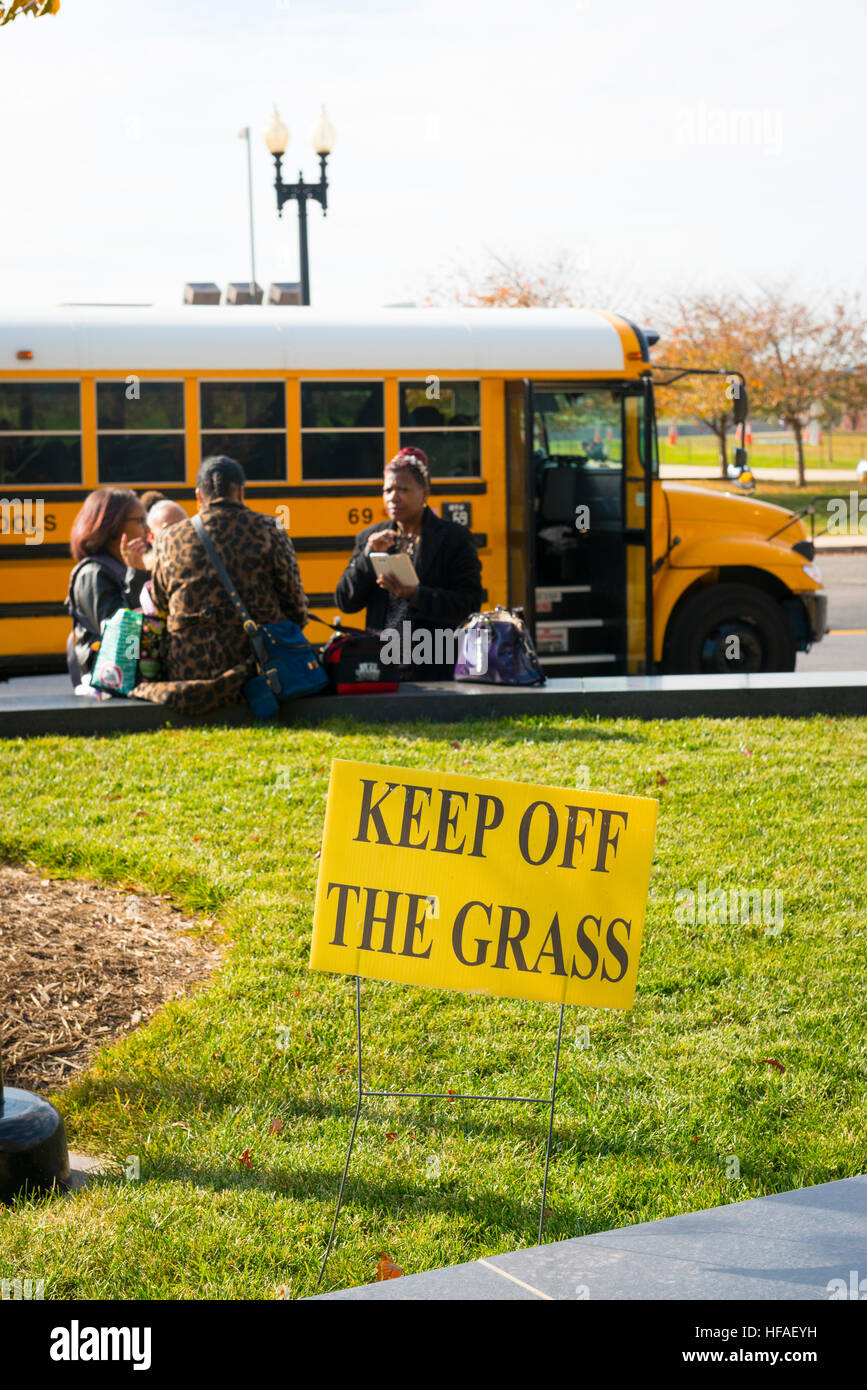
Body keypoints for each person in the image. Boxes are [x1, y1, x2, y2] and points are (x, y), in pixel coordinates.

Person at [131, 455, 309, 713]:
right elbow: (295, 604)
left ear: (198, 496)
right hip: (258, 667)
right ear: (240, 492)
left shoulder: (170, 537)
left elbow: (159, 604)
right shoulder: (271, 528)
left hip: (188, 668)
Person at [334, 446, 483, 680]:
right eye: (388, 490)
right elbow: (345, 601)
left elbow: (470, 603)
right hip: (383, 666)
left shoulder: (453, 538)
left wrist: (415, 594)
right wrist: (367, 556)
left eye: (403, 489)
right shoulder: (371, 538)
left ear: (424, 493)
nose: (394, 497)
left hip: (435, 664)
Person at [65, 488, 150, 686]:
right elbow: (119, 632)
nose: (147, 530)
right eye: (140, 521)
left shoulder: (123, 567)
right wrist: (137, 575)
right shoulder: (92, 574)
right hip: (108, 686)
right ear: (113, 526)